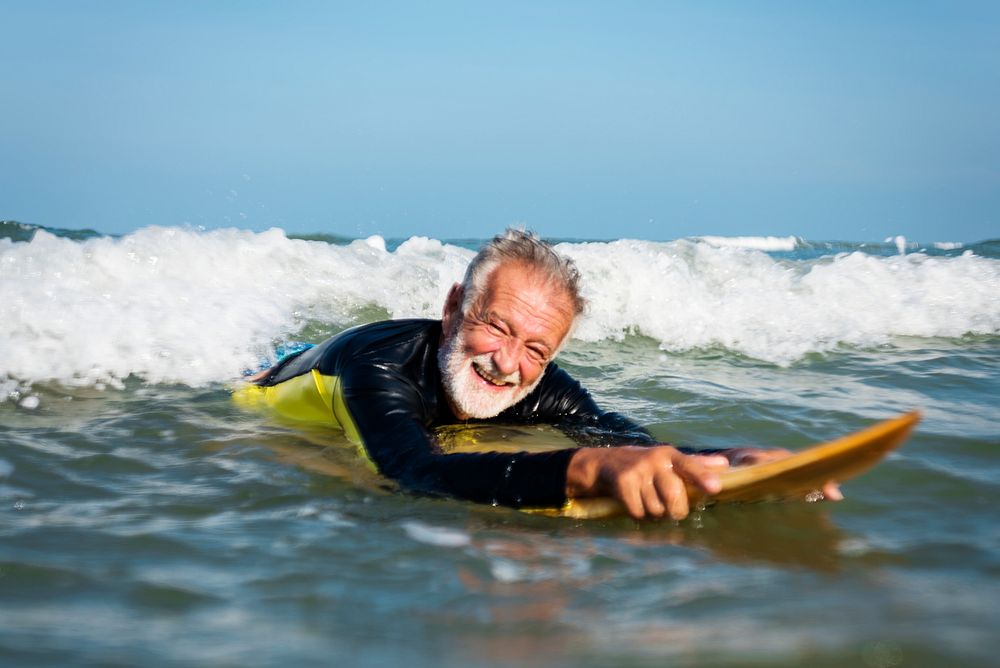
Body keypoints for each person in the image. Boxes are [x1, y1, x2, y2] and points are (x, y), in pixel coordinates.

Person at [241, 229, 841, 519]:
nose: (508, 364)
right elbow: (410, 473)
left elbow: (620, 440)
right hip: (266, 385)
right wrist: (578, 470)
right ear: (453, 309)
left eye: (535, 347)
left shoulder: (539, 382)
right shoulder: (375, 366)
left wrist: (729, 460)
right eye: (497, 328)